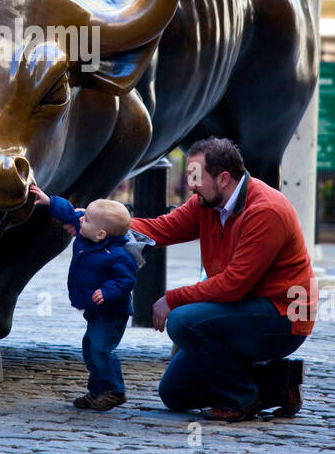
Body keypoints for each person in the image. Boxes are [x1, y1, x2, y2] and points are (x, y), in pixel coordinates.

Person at [130, 137, 318, 422]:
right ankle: (279, 381)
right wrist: (94, 221)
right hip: (243, 308)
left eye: (196, 177)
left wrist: (172, 299)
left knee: (182, 320)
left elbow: (233, 284)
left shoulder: (265, 211)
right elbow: (159, 230)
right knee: (174, 393)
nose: (190, 186)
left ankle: (241, 398)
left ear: (224, 178)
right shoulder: (207, 203)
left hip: (284, 316)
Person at [30, 184, 143, 411]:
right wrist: (48, 200)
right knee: (90, 351)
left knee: (101, 350)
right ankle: (96, 392)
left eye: (88, 220)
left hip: (112, 314)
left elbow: (126, 280)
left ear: (101, 234)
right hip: (95, 310)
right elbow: (71, 213)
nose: (82, 220)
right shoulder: (87, 234)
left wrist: (108, 291)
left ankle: (115, 391)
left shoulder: (118, 255)